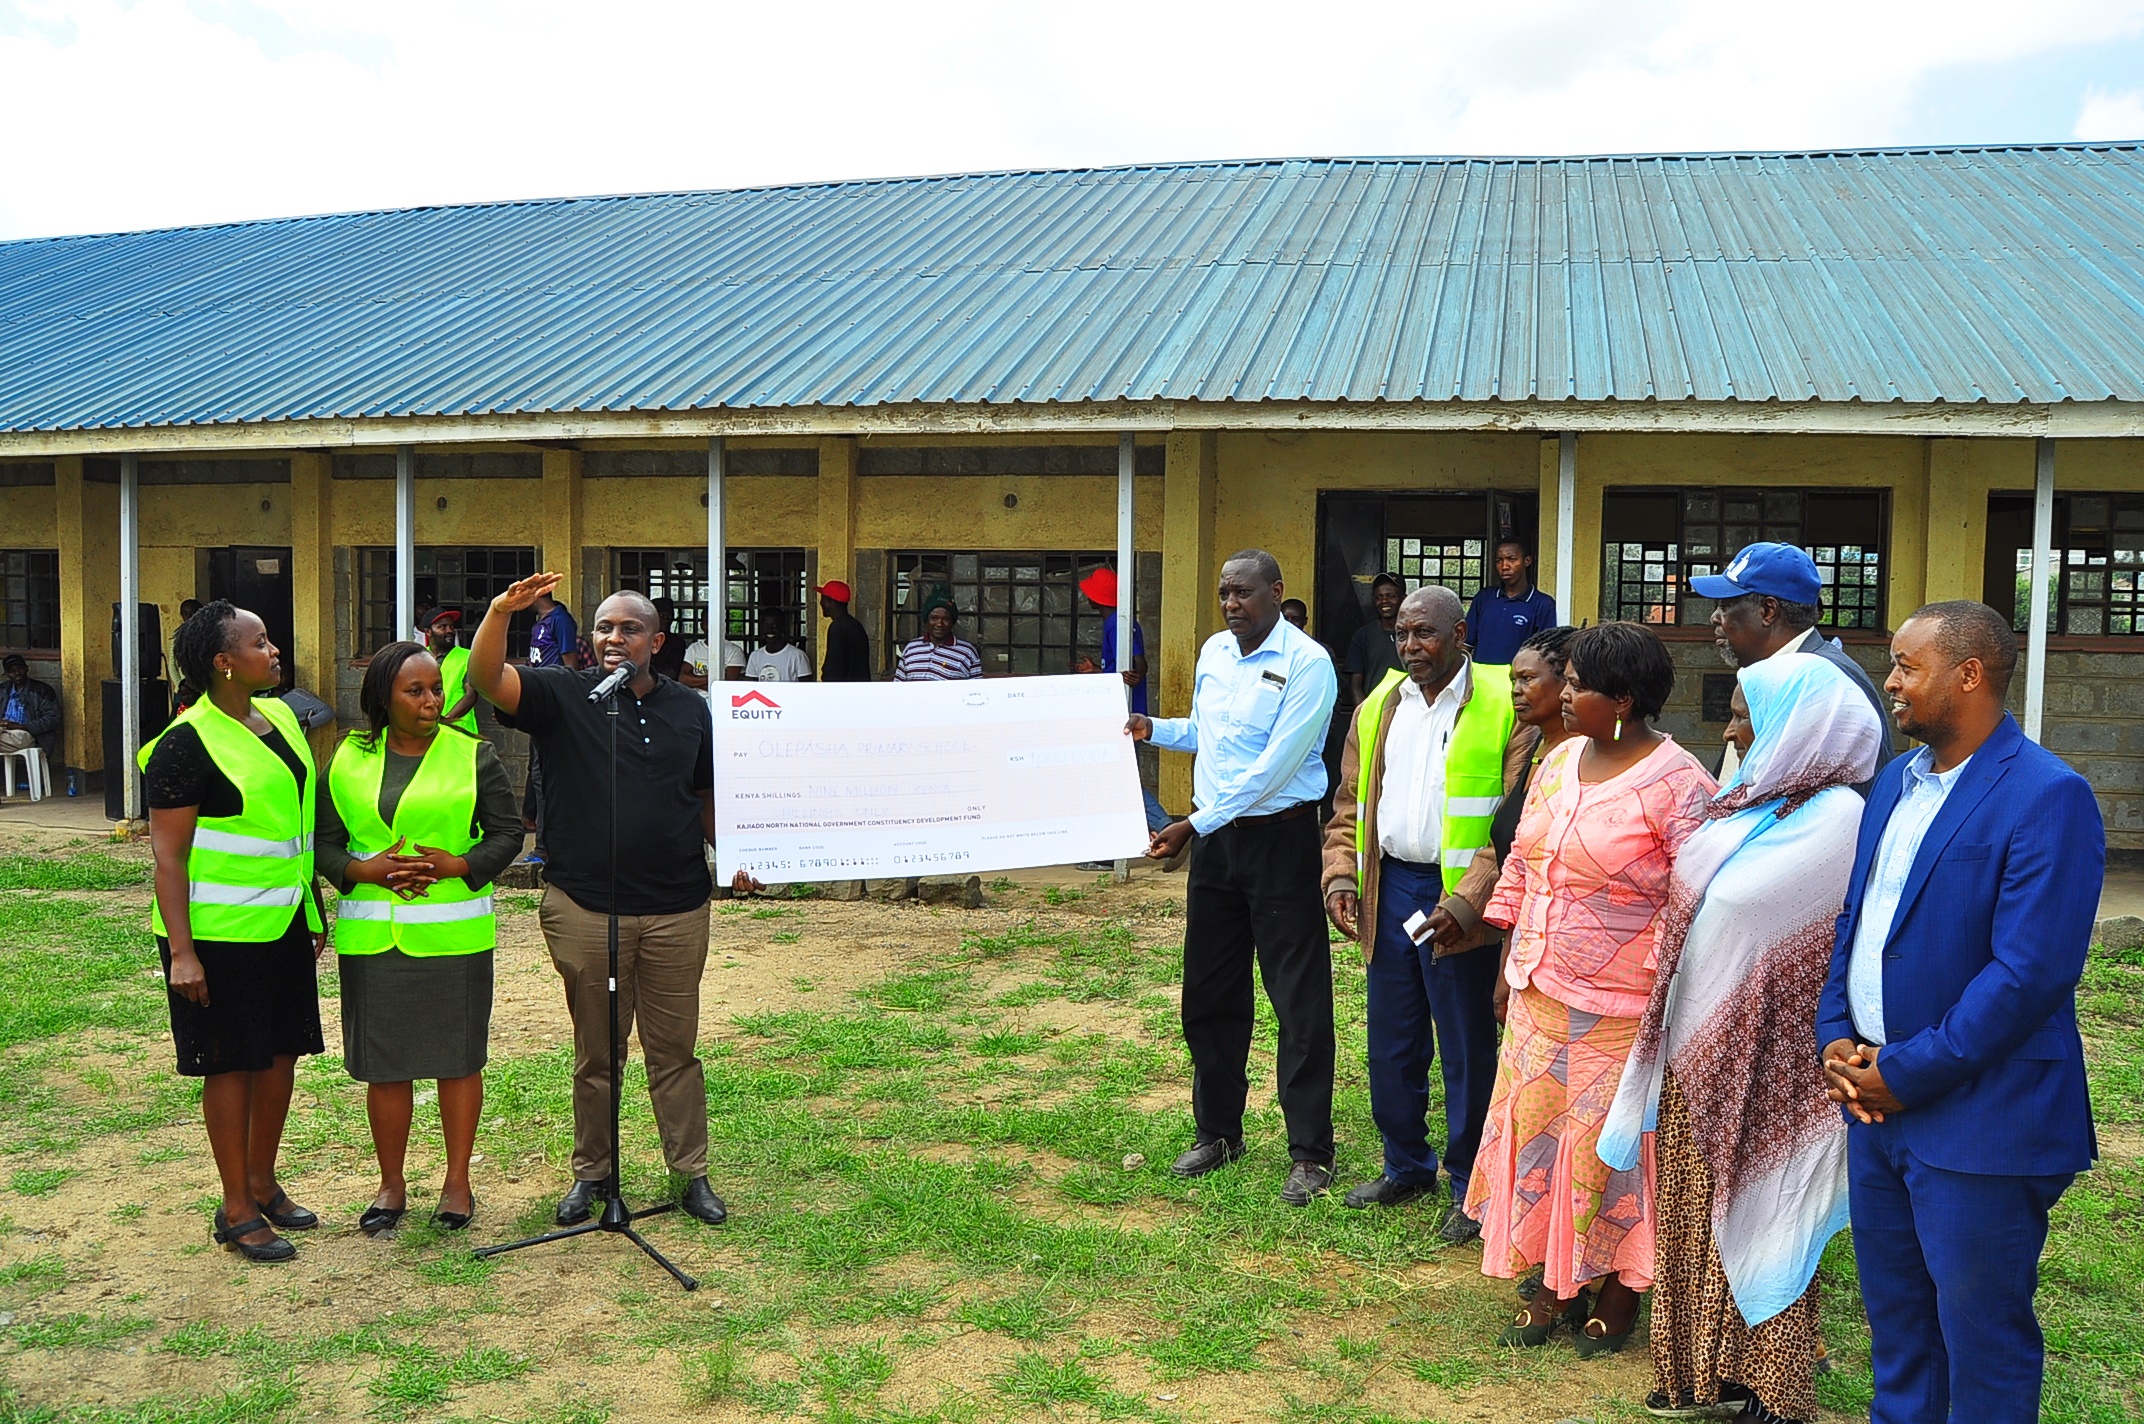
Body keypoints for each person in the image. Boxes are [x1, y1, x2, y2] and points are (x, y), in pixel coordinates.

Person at [1819, 601, 2103, 1424]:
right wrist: (1837, 1036)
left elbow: (2028, 975)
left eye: (1908, 666)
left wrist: (1904, 1073)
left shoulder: (2049, 795)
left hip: (1984, 1118)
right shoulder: (1894, 786)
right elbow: (1858, 923)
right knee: (1900, 1329)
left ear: (1970, 674)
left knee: (1980, 1341)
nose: (1891, 683)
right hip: (1876, 1109)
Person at [1598, 657, 1884, 1424]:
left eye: (1742, 716)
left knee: (1771, 1213)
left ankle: (1769, 1386)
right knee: (1696, 1218)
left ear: (1797, 726)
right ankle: (1698, 1372)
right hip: (1700, 1058)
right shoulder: (1744, 809)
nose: (1728, 730)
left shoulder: (1842, 825)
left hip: (1780, 1070)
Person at [1467, 621, 1716, 1354]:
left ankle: (1618, 1288)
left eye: (1578, 686)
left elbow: (1692, 906)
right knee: (1542, 1137)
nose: (1564, 696)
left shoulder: (1681, 786)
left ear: (1626, 699)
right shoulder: (1561, 759)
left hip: (1624, 1009)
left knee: (1610, 1150)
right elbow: (1522, 861)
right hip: (1539, 992)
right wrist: (1510, 959)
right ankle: (1550, 1279)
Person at [470, 575, 730, 1228]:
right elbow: (486, 678)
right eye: (605, 628)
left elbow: (704, 798)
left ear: (657, 641)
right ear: (591, 640)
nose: (616, 638)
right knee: (597, 1053)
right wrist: (503, 611)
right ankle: (593, 1173)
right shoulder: (561, 694)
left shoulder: (689, 710)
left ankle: (689, 1173)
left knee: (675, 1050)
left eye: (630, 628)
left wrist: (737, 856)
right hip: (586, 909)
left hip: (677, 907)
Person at [1320, 586, 1533, 1242]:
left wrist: (1467, 902)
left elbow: (1514, 824)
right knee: (1391, 1038)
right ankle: (1404, 1164)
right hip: (1392, 891)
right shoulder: (1380, 704)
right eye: (1403, 635)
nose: (1411, 647)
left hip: (1465, 904)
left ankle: (1471, 1180)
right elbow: (1350, 802)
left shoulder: (1508, 704)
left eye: (1425, 634)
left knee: (1466, 1046)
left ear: (1462, 633)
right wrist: (1340, 875)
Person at [1129, 551, 1339, 1204]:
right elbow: (1212, 737)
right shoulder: (1215, 654)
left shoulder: (1309, 664)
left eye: (1242, 592)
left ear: (1276, 592)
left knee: (1297, 1002)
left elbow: (1275, 767)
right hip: (1218, 847)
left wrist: (1194, 823)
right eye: (1223, 592)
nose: (1230, 603)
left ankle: (1310, 1153)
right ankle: (1218, 1133)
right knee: (1210, 995)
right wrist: (1153, 729)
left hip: (1279, 842)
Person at [139, 601, 328, 1263]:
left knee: (279, 1057)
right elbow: (169, 858)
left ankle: (263, 1181)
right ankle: (236, 1208)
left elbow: (290, 828)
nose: (274, 650)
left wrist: (310, 910)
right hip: (215, 939)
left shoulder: (276, 716)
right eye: (260, 641)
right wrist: (183, 953)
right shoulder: (184, 745)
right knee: (230, 1064)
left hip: (279, 923)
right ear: (224, 662)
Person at [317, 641, 521, 1236]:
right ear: (384, 696)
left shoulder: (473, 755)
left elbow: (507, 834)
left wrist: (459, 866)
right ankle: (392, 1183)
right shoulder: (348, 758)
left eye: (436, 688)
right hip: (375, 941)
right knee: (388, 1067)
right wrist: (364, 871)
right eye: (417, 691)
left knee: (458, 1062)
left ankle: (457, 1182)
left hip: (453, 940)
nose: (433, 700)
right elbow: (325, 844)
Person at [1696, 542, 1893, 793]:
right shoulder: (1775, 675)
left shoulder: (1826, 684)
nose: (1715, 617)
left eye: (1725, 606)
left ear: (1768, 611)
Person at [1076, 565, 1169, 838]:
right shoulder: (1119, 621)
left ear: (1096, 598)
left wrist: (1130, 675)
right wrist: (1099, 672)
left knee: (1118, 779)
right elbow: (1131, 668)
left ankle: (1165, 826)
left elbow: (1138, 666)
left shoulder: (1117, 622)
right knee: (1118, 778)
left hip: (1124, 714)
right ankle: (1161, 827)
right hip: (1125, 710)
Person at [517, 588, 579, 865]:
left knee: (548, 777)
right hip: (538, 701)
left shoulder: (560, 620)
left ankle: (546, 848)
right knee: (539, 775)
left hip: (555, 702)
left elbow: (570, 664)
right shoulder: (539, 622)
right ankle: (544, 846)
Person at [1466, 540, 1558, 665]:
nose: (1504, 566)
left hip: (1519, 681)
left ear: (1527, 561)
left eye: (1512, 559)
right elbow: (1465, 646)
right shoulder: (1484, 598)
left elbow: (1544, 654)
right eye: (1499, 561)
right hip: (1480, 682)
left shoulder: (1543, 604)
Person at [1344, 572, 1406, 702]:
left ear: (1403, 598)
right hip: (1374, 711)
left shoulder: (1414, 635)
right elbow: (1355, 685)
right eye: (1379, 597)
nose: (1384, 601)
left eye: (1391, 596)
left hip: (1410, 709)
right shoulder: (1363, 636)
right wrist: (1363, 715)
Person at [418, 607, 479, 736]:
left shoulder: (467, 657)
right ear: (428, 632)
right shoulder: (418, 658)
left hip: (460, 732)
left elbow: (471, 695)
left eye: (451, 626)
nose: (449, 631)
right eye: (442, 627)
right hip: (426, 731)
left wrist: (446, 720)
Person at [894, 599, 983, 681]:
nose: (939, 624)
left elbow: (976, 690)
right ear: (927, 620)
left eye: (945, 619)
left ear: (952, 622)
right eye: (934, 618)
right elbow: (897, 687)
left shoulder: (968, 652)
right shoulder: (911, 648)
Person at [0, 653, 61, 770]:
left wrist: (22, 726)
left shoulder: (43, 690)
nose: (17, 673)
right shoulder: (2, 690)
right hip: (3, 734)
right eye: (12, 671)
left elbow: (53, 718)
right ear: (6, 674)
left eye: (19, 669)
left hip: (29, 735)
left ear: (26, 669)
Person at [816, 580, 872, 682]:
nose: (820, 603)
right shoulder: (855, 625)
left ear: (829, 600)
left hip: (843, 693)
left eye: (823, 599)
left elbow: (833, 668)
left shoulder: (838, 627)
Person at [746, 613, 814, 682]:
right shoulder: (755, 656)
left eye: (774, 625)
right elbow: (751, 687)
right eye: (766, 625)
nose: (770, 630)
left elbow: (805, 687)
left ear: (782, 628)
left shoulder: (797, 655)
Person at [681, 632, 747, 689]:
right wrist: (715, 680)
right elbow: (683, 678)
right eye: (707, 622)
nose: (711, 625)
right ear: (702, 625)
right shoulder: (694, 648)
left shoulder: (734, 650)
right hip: (696, 698)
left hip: (720, 699)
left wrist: (694, 682)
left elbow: (727, 684)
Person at [647, 599, 690, 683]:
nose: (666, 620)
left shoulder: (676, 642)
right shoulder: (643, 638)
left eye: (669, 617)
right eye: (662, 616)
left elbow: (672, 673)